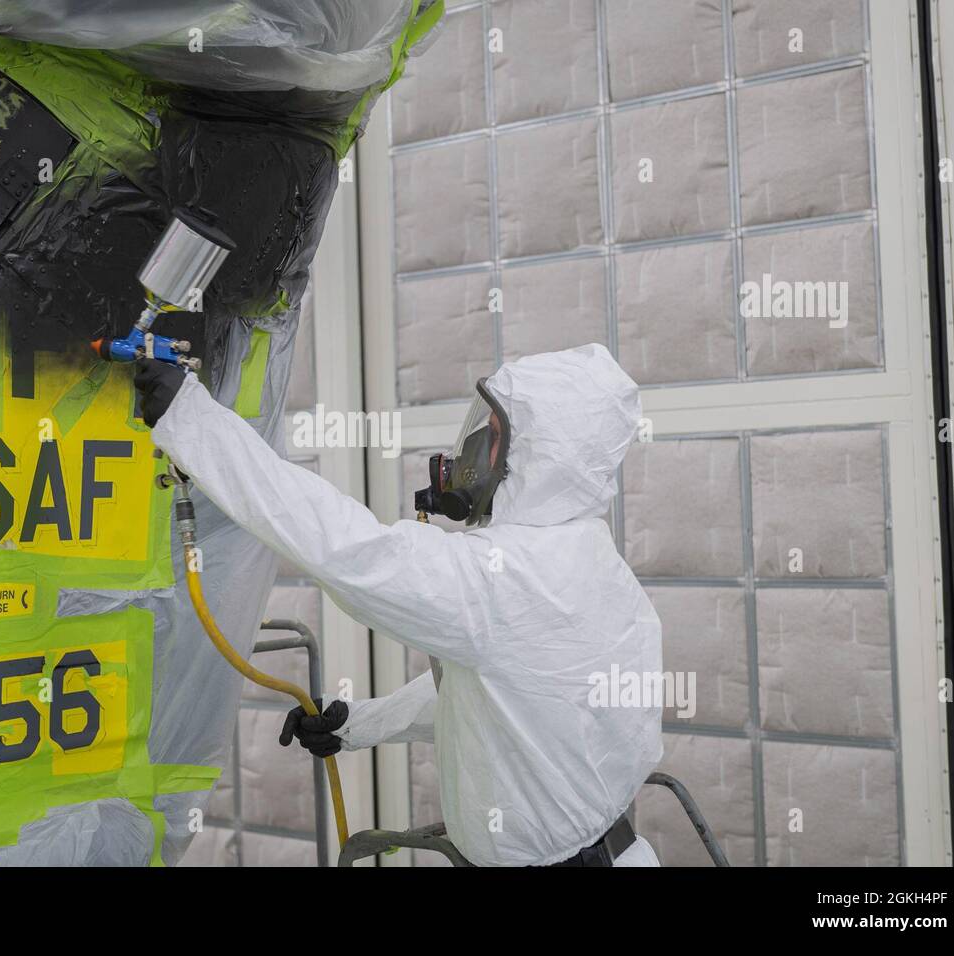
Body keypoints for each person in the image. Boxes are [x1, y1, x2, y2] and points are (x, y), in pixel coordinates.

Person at [134, 343, 663, 866]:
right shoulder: (588, 560)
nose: (477, 450)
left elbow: (345, 549)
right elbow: (507, 702)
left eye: (496, 436)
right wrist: (358, 723)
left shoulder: (509, 578)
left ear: (547, 454)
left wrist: (191, 421)